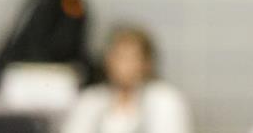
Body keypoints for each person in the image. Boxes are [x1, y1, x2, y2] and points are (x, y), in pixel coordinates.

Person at [62, 25, 191, 133]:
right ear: (108, 60)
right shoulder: (90, 100)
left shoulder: (165, 99)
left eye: (131, 57)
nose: (124, 65)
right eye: (119, 56)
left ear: (147, 63)